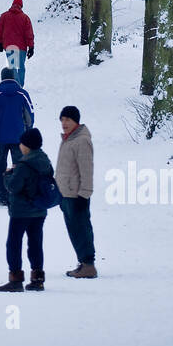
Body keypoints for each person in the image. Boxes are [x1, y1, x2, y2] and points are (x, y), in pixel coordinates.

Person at [0, 127, 54, 292]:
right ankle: (38, 279)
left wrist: (8, 175)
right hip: (39, 210)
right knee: (35, 244)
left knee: (14, 243)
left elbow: (14, 187)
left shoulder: (24, 164)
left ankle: (15, 279)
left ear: (26, 145)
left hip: (21, 211)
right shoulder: (45, 161)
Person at [55, 106, 98, 278]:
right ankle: (83, 263)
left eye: (68, 120)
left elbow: (86, 169)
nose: (64, 123)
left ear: (76, 121)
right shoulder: (68, 139)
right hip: (66, 194)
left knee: (81, 229)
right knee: (74, 230)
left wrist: (84, 194)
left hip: (77, 195)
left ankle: (88, 264)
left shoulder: (82, 141)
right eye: (62, 120)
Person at [0, 66, 35, 206]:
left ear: (1, 78)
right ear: (14, 78)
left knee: (1, 166)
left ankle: (2, 197)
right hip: (20, 137)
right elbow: (29, 114)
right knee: (19, 166)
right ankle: (18, 195)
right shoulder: (22, 93)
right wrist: (28, 130)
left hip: (0, 138)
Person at [0, 0, 34, 85]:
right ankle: (20, 85)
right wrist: (31, 47)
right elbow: (29, 34)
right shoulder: (25, 18)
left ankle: (16, 84)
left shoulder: (4, 16)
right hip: (22, 47)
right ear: (21, 6)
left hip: (10, 46)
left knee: (13, 67)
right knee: (21, 67)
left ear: (12, 5)